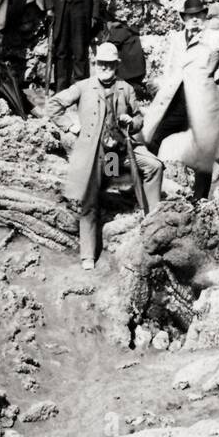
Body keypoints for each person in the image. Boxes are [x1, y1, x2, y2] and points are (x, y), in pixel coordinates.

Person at [45, 43, 164, 269]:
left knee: (154, 166)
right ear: (95, 64)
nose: (105, 68)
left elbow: (140, 118)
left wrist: (132, 122)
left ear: (116, 65)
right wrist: (71, 126)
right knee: (89, 201)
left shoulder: (125, 89)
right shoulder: (83, 87)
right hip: (93, 152)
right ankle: (88, 254)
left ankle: (153, 221)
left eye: (110, 64)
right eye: (101, 64)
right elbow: (53, 105)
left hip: (119, 152)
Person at [140, 0, 219, 201]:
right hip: (175, 99)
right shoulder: (178, 38)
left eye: (198, 15)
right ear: (184, 18)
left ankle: (200, 200)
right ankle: (145, 189)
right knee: (153, 139)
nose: (195, 20)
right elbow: (171, 65)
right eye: (190, 16)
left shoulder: (214, 37)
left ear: (204, 16)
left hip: (202, 101)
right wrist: (163, 86)